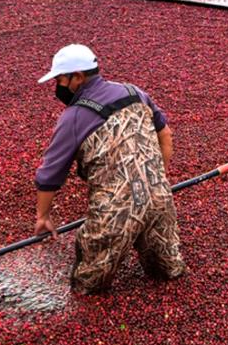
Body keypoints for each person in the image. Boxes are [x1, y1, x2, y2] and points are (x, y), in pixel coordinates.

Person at [33, 44, 185, 294]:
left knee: (88, 285)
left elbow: (50, 175)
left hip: (114, 212)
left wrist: (43, 217)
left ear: (78, 77)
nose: (58, 86)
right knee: (168, 273)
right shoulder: (134, 92)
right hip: (160, 199)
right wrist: (156, 179)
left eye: (60, 79)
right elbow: (165, 135)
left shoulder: (74, 116)